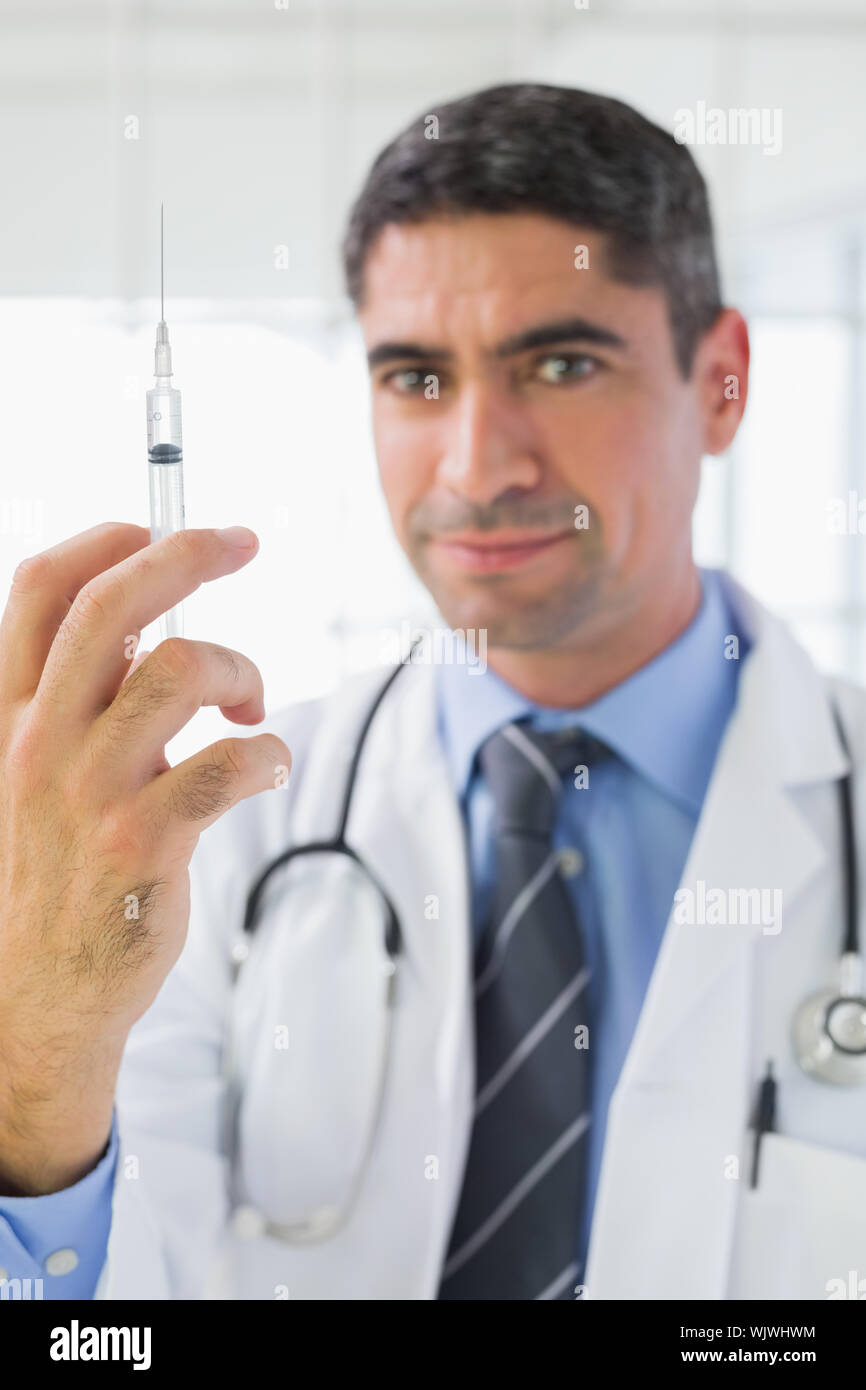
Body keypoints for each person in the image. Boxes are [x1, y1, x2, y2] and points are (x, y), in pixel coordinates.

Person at [1, 83, 865, 1303]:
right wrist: (40, 1051)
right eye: (414, 377)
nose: (476, 464)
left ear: (718, 381)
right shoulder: (213, 831)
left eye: (559, 363)